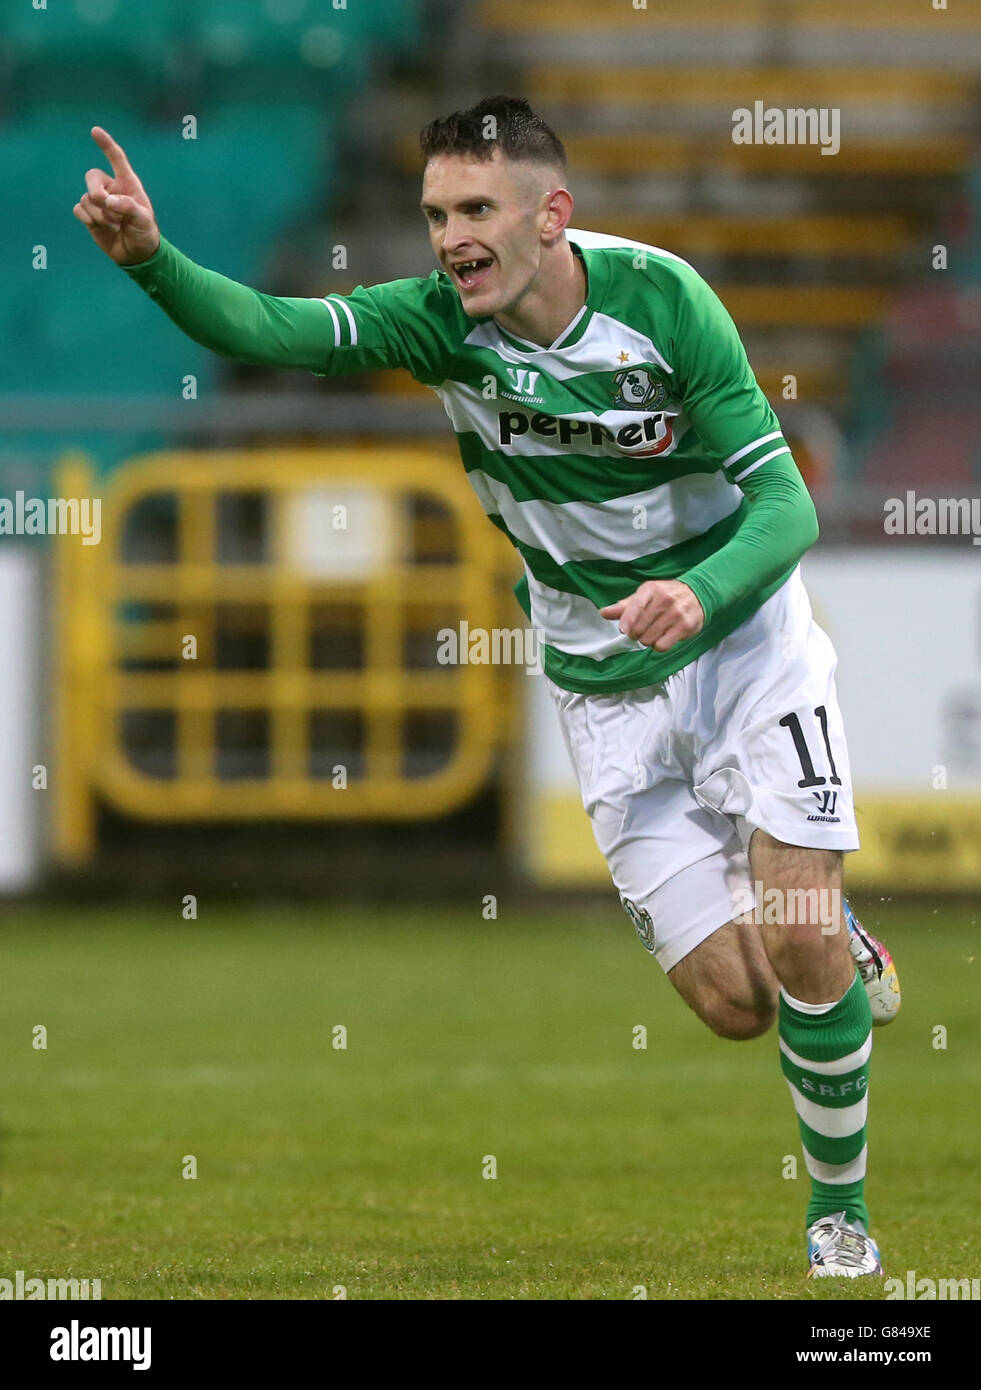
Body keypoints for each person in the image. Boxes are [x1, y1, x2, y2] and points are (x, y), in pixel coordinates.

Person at [75, 94, 901, 1278]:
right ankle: (820, 926)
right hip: (602, 684)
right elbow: (268, 326)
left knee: (802, 929)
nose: (449, 236)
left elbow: (788, 506)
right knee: (739, 1004)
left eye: (473, 209)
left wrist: (700, 593)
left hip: (743, 644)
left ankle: (842, 1217)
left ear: (550, 215)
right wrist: (155, 262)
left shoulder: (666, 303)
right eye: (433, 213)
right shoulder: (434, 323)